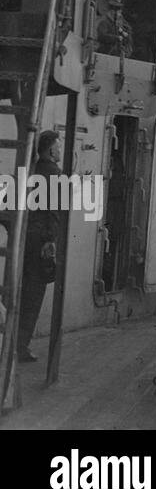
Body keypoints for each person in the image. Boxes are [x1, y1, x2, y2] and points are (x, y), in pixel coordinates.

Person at [16, 130, 66, 363]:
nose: (60, 148)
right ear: (50, 149)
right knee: (34, 296)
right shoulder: (55, 174)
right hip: (41, 241)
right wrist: (51, 240)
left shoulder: (32, 170)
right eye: (58, 145)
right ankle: (21, 346)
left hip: (24, 237)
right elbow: (55, 212)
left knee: (20, 290)